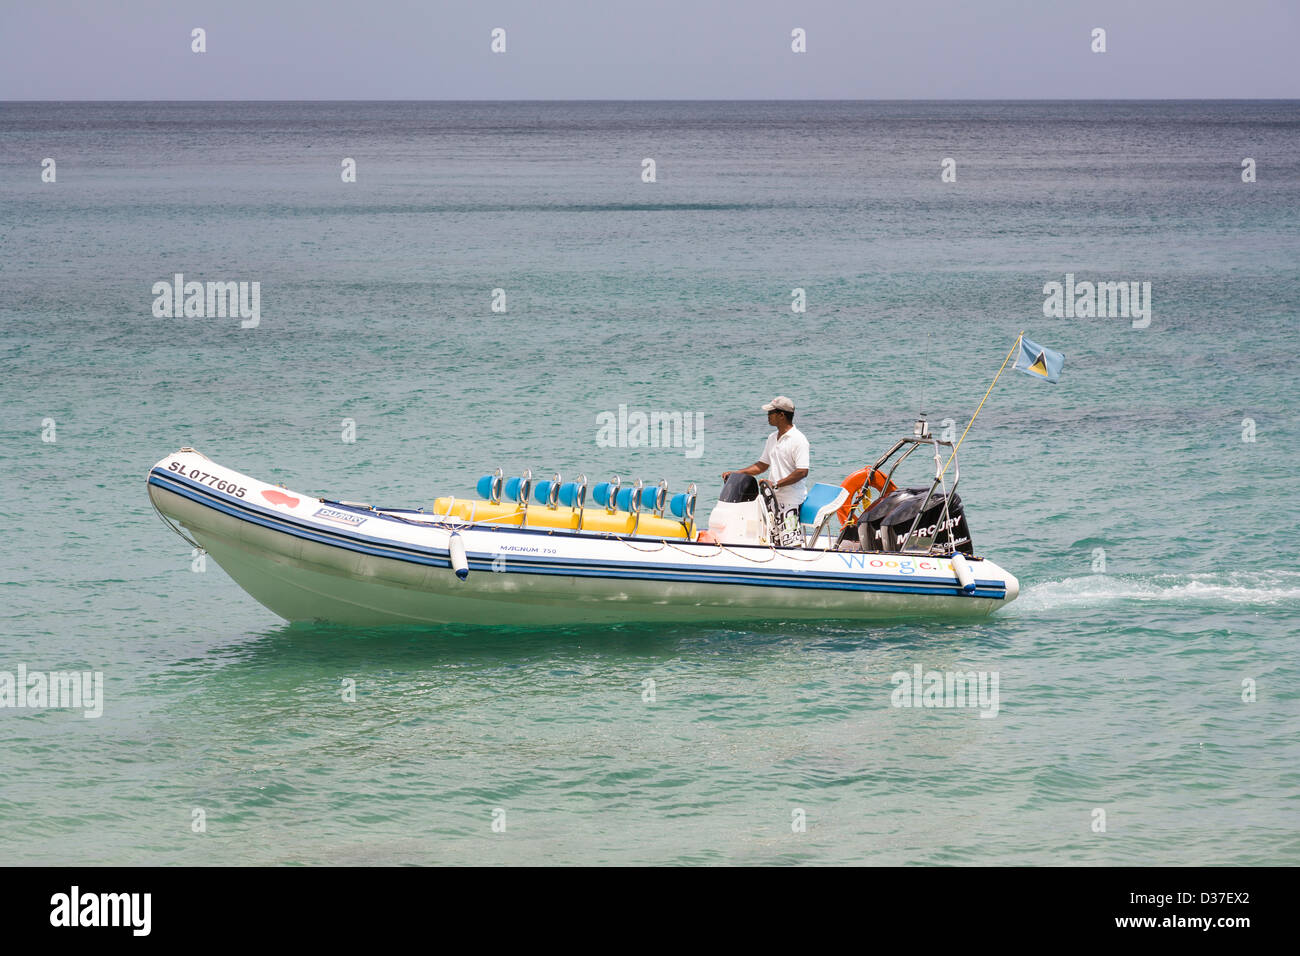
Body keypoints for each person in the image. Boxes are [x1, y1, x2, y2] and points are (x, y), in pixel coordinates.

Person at [722, 396, 810, 547]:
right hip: (772, 499)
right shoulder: (772, 438)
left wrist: (776, 484)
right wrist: (738, 474)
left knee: (791, 544)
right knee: (773, 542)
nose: (768, 416)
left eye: (771, 412)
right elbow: (762, 466)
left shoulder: (799, 440)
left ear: (781, 415)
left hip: (791, 501)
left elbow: (802, 471)